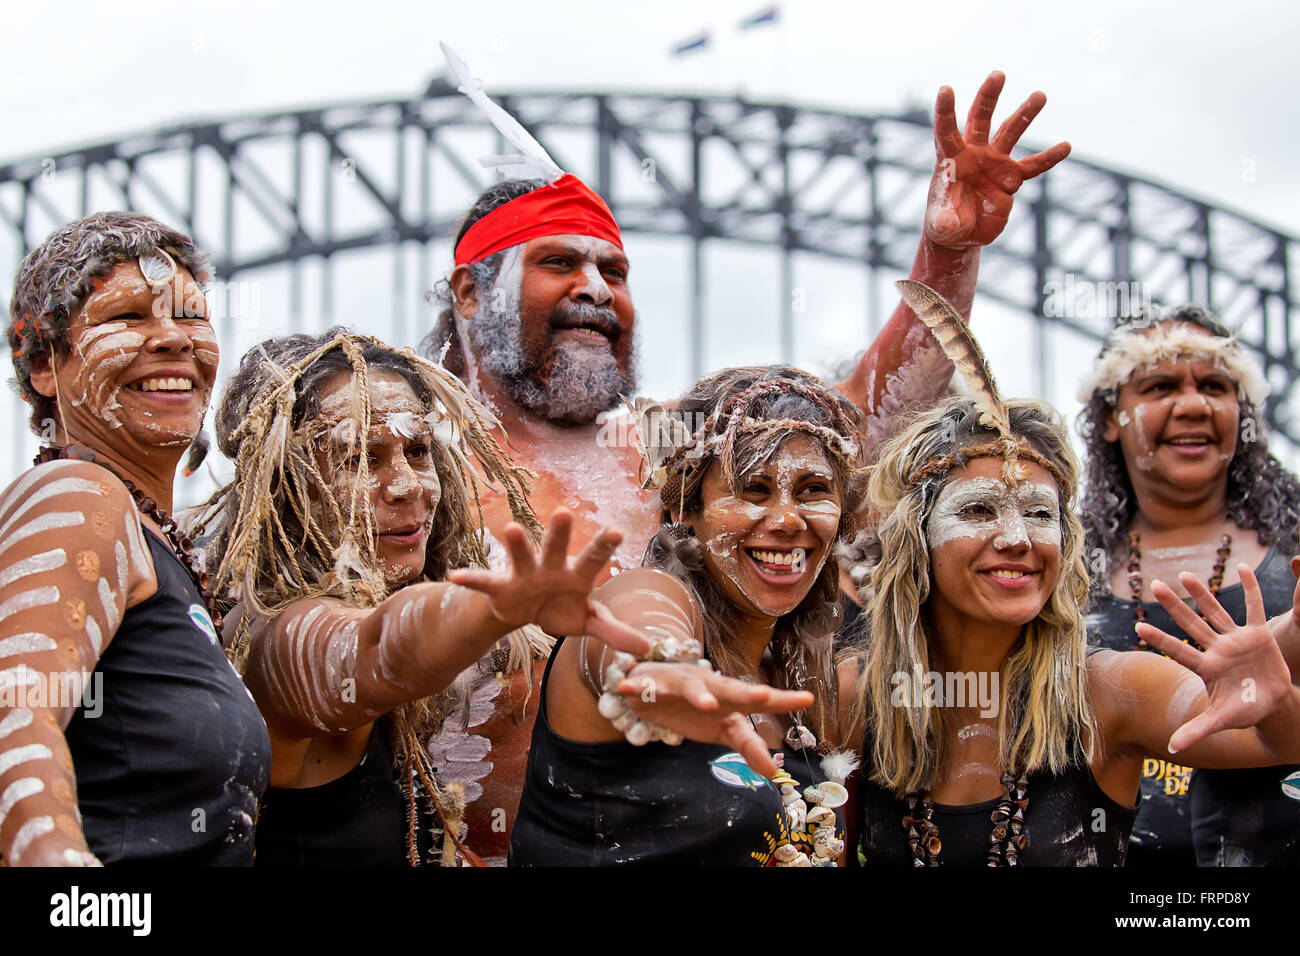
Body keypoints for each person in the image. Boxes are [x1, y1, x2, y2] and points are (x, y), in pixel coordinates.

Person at [421, 69, 1073, 847]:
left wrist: (947, 253)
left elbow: (851, 425)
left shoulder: (662, 452)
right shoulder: (411, 465)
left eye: (616, 272)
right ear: (469, 294)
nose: (596, 288)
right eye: (559, 264)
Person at [192, 329, 653, 865]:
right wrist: (491, 611)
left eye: (417, 451)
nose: (407, 485)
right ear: (284, 484)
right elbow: (375, 650)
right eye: (361, 459)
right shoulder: (273, 633)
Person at [844, 393, 1300, 866]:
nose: (1017, 539)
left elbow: (1275, 744)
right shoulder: (857, 698)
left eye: (1040, 514)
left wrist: (1274, 699)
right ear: (915, 535)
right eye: (979, 510)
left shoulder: (1112, 691)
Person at [451, 366, 867, 865]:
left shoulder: (806, 685)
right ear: (683, 511)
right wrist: (660, 666)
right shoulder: (646, 595)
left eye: (813, 490)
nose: (785, 519)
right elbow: (641, 623)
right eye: (753, 489)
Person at [0, 212, 269, 866]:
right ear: (43, 366)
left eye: (191, 316)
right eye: (126, 318)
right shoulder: (79, 496)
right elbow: (15, 721)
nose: (173, 339)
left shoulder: (154, 540)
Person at [1077, 306, 1300, 866]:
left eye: (1216, 386)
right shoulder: (1055, 569)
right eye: (1160, 385)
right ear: (1110, 418)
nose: (1195, 405)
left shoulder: (1296, 551)